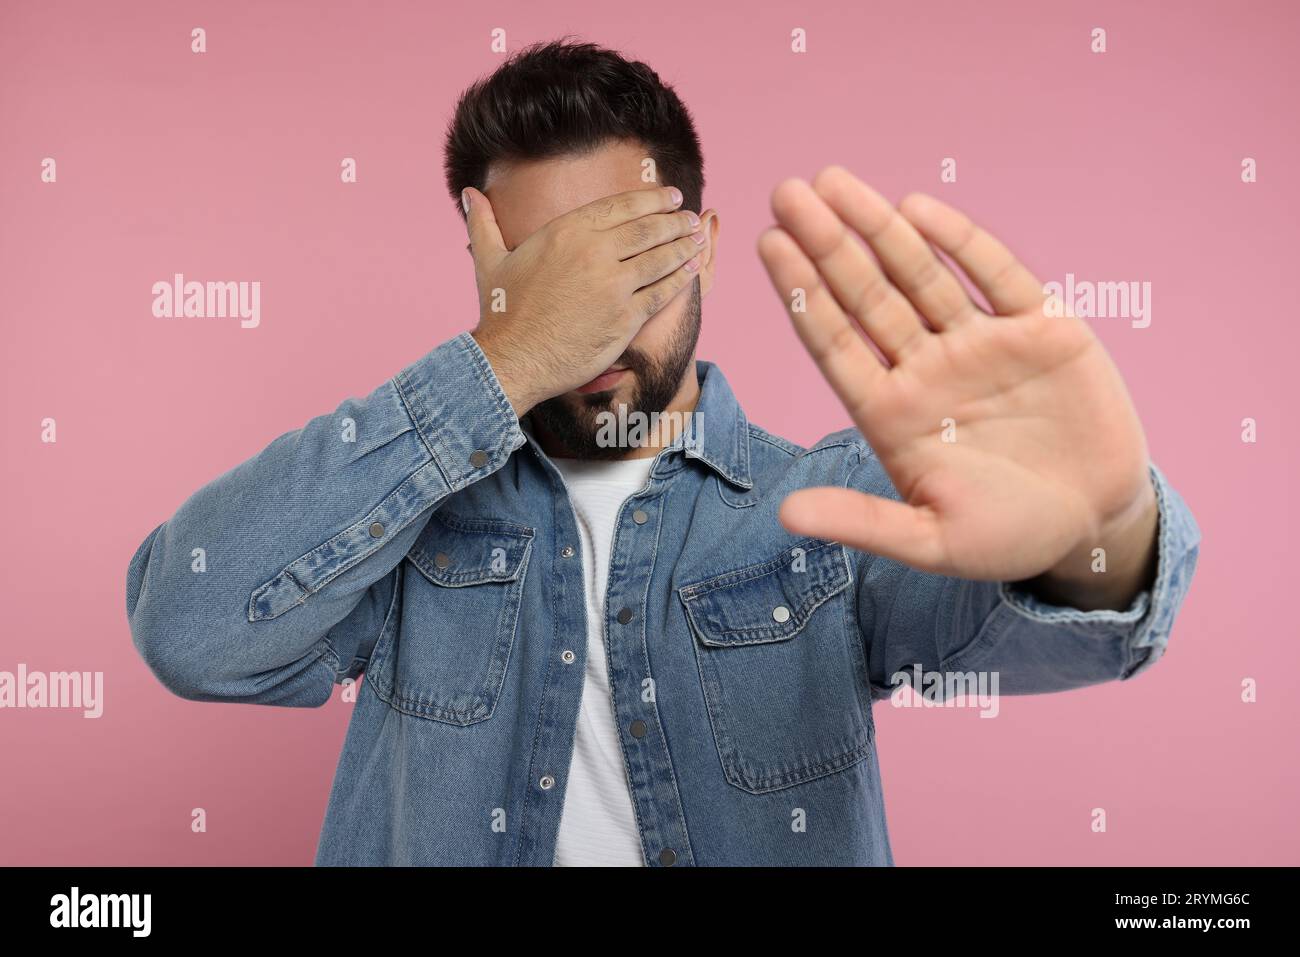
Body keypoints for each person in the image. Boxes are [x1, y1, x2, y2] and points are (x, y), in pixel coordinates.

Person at [126, 40, 1200, 866]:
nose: (589, 324)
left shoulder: (829, 506)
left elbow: (1085, 640)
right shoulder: (404, 522)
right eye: (546, 277)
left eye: (627, 262)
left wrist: (1101, 533)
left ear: (705, 249)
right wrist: (497, 365)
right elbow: (191, 628)